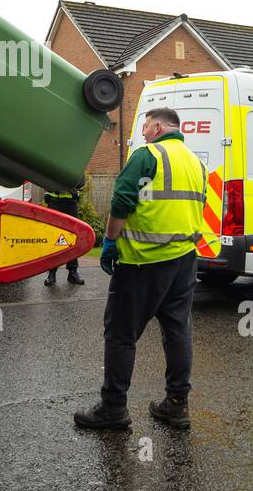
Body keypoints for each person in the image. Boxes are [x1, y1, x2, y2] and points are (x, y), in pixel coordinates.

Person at [74, 108, 206, 431]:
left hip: (143, 263)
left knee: (121, 333)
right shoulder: (197, 164)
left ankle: (114, 408)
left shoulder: (147, 156)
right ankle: (177, 405)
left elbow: (121, 200)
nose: (142, 131)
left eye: (145, 125)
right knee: (178, 331)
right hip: (184, 260)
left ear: (158, 126)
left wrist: (109, 241)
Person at [43, 183, 85, 285]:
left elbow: (81, 181)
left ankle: (73, 272)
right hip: (54, 201)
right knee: (53, 238)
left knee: (73, 237)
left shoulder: (76, 166)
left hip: (71, 202)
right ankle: (51, 273)